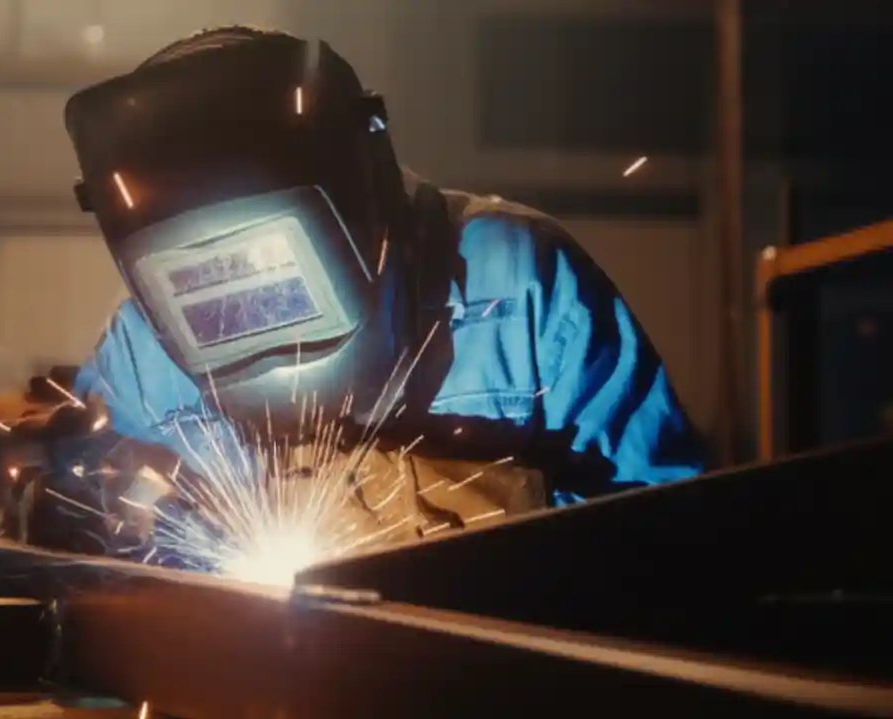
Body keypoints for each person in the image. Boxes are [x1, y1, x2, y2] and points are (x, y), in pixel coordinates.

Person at [56, 27, 704, 548]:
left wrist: (487, 524)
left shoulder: (515, 287)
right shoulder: (140, 358)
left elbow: (669, 530)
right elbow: (98, 530)